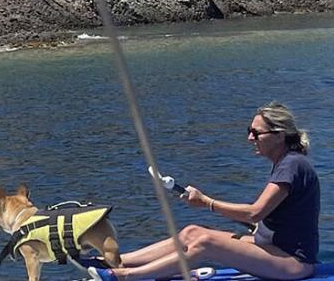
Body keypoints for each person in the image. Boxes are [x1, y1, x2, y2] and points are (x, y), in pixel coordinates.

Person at [104, 103, 319, 281]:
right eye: (249, 131)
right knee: (191, 232)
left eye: (256, 133)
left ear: (279, 136)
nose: (250, 138)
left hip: (292, 262)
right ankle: (115, 260)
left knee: (205, 243)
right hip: (269, 246)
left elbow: (255, 213)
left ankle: (127, 275)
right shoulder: (286, 163)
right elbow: (272, 217)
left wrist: (207, 202)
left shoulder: (292, 166)